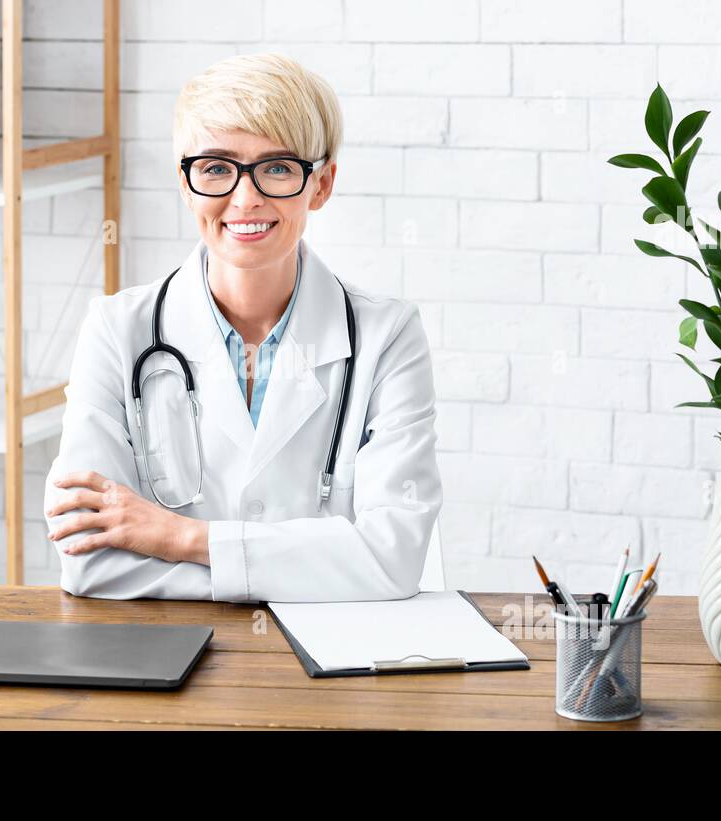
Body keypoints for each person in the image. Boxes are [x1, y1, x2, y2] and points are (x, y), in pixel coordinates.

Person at [43, 53, 442, 603]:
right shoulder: (116, 330)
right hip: (163, 662)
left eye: (277, 167)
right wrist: (311, 565)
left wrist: (179, 536)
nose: (246, 197)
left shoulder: (387, 336)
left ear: (320, 184)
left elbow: (393, 560)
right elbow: (91, 563)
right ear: (185, 182)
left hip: (331, 668)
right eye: (216, 167)